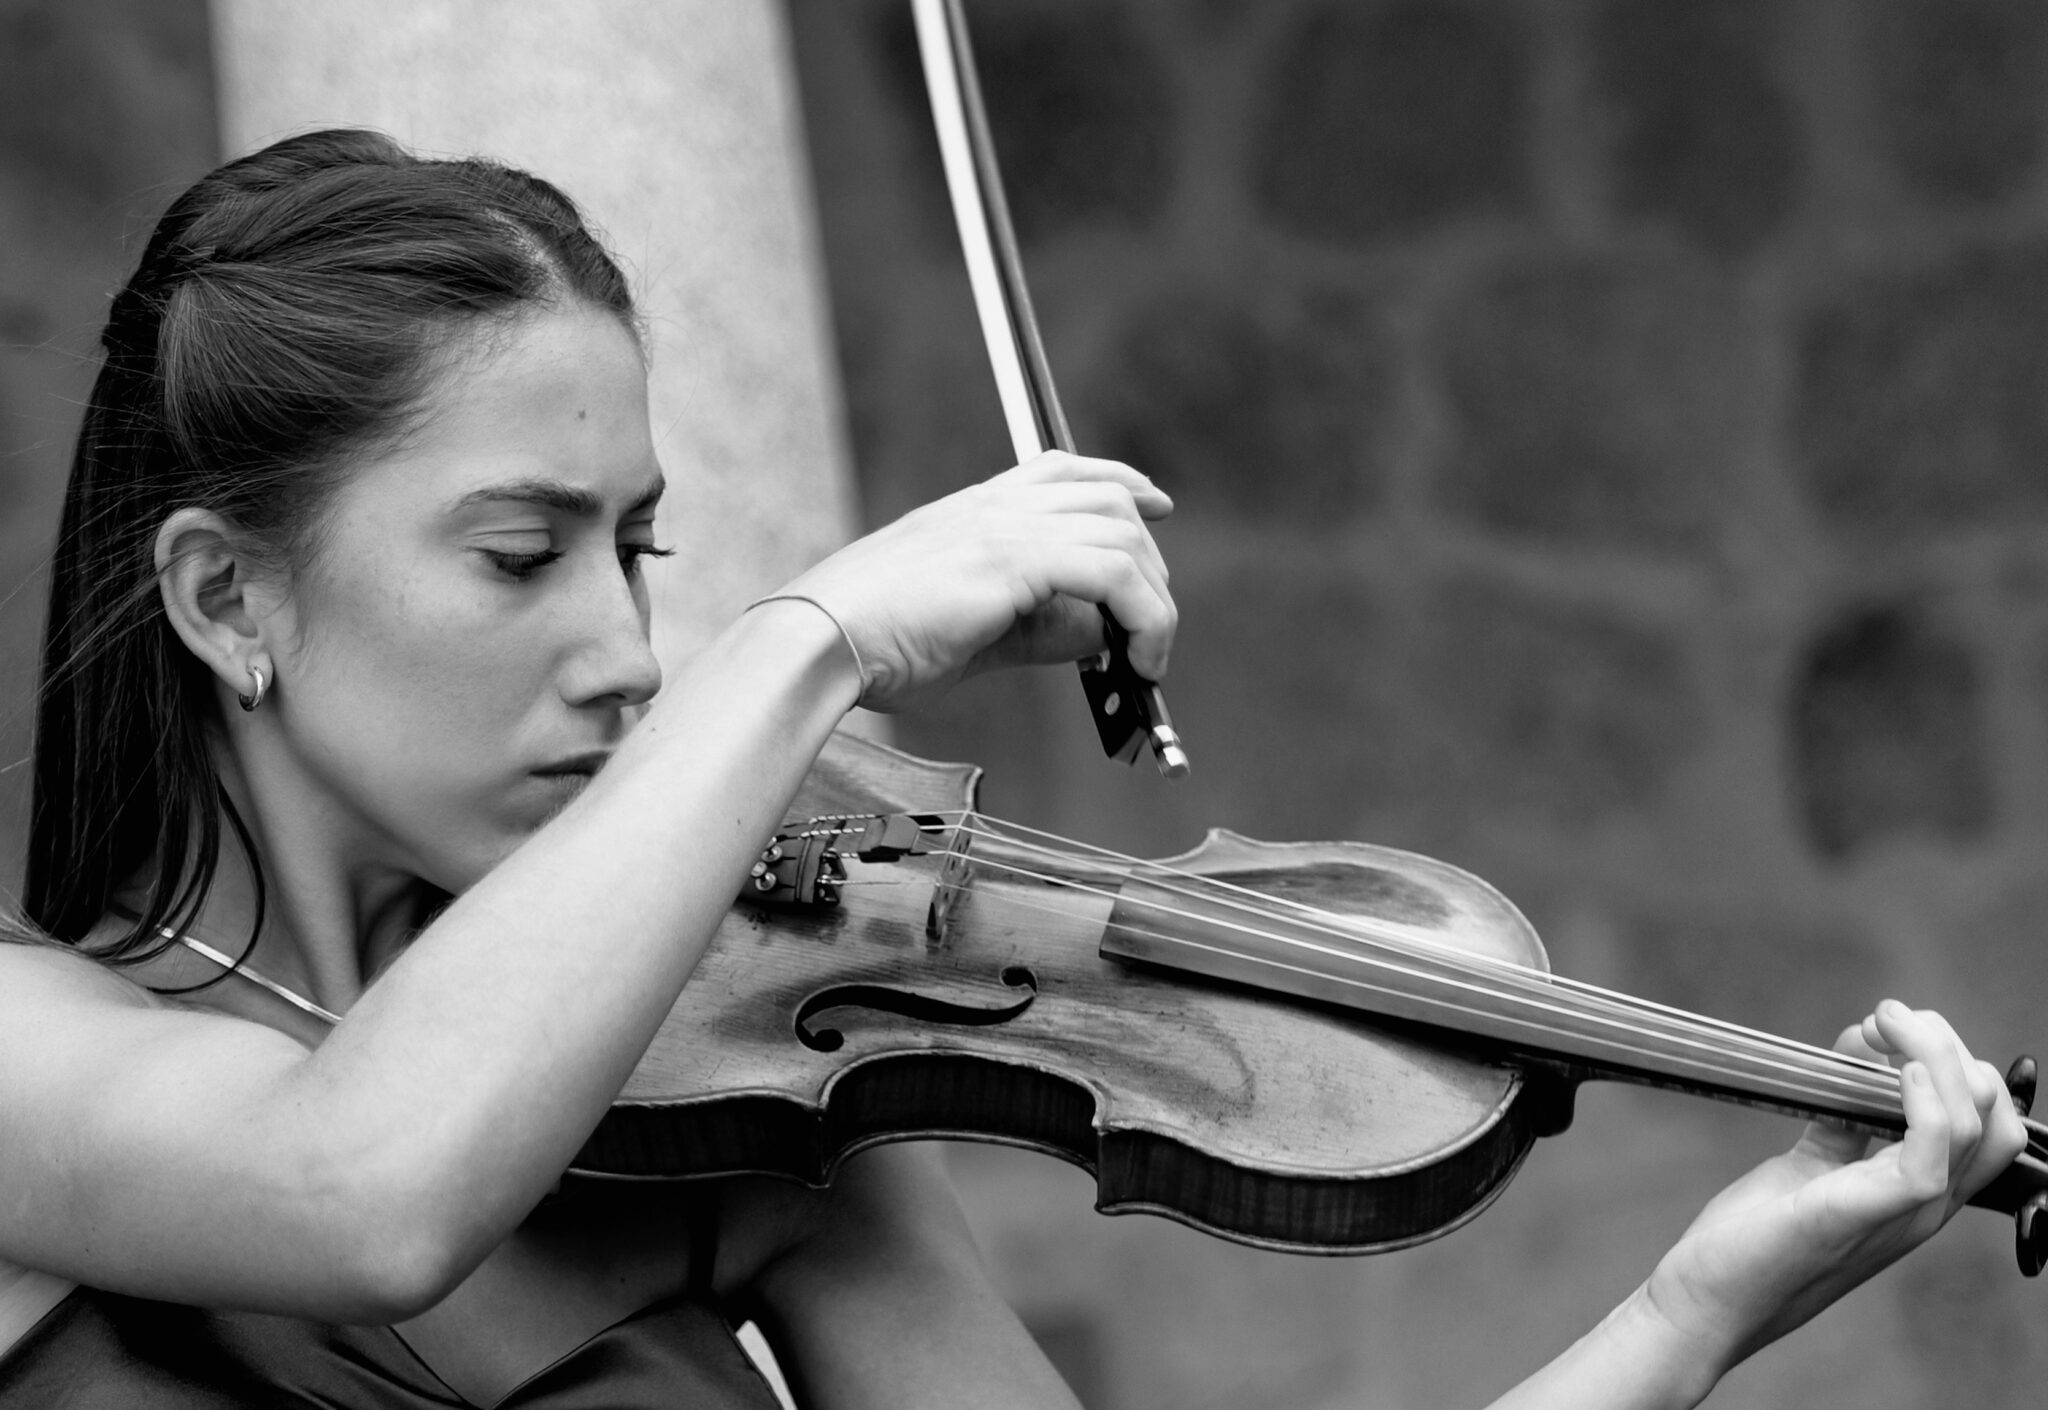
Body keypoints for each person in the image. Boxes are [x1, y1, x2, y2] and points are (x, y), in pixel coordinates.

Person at [0, 128, 2022, 1410]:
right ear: (224, 597)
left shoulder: (733, 1124)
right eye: (522, 555)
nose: (624, 650)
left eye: (644, 552)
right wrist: (816, 638)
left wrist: (1690, 1309)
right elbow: (360, 1196)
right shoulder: (31, 1054)